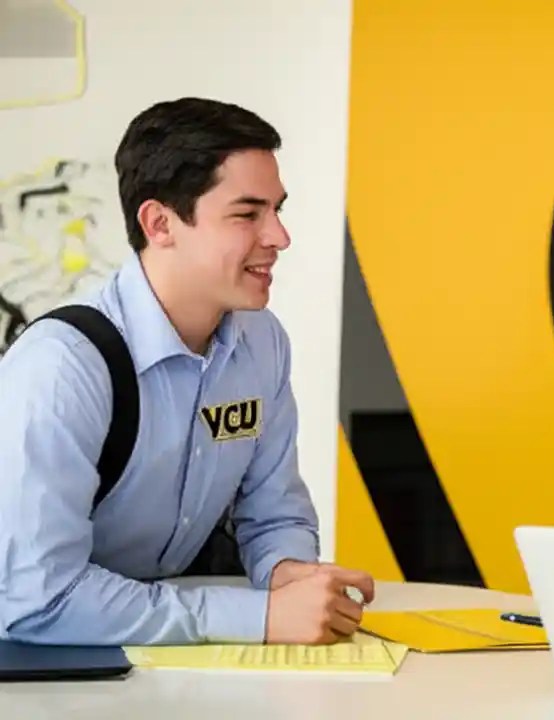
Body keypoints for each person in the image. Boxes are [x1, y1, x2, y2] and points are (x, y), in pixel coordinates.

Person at [0, 97, 374, 647]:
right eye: (248, 214)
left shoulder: (262, 342)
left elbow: (272, 513)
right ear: (160, 223)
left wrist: (287, 573)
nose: (279, 237)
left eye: (278, 209)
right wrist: (258, 618)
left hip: (162, 663)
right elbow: (39, 600)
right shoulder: (61, 365)